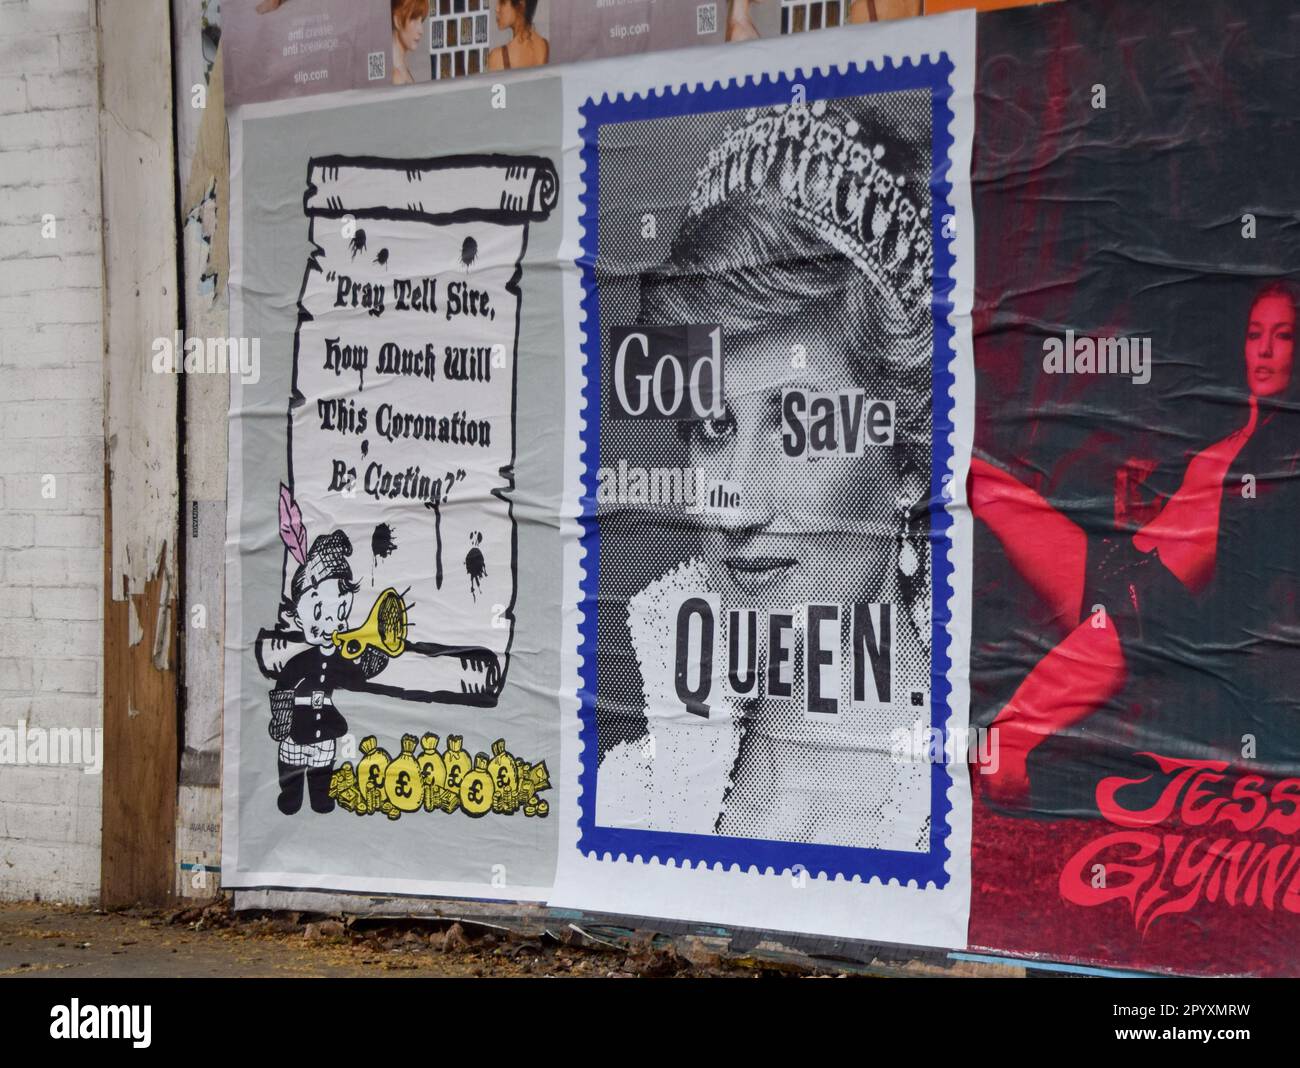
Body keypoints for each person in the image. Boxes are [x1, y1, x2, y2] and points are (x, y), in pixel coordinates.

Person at [595, 100, 937, 846]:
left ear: (908, 460)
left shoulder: (969, 810)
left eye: (796, 428)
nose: (736, 505)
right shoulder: (632, 794)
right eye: (713, 428)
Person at [973, 281, 1299, 807]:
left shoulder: (1281, 460)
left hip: (1141, 619)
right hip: (1113, 568)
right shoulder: (1231, 438)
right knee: (977, 479)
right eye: (1255, 334)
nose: (1262, 349)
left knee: (1002, 756)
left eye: (1282, 336)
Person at [269, 530, 391, 815]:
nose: (330, 624)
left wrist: (375, 656)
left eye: (340, 613)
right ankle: (290, 798)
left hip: (323, 730)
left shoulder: (339, 657)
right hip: (296, 729)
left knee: (322, 768)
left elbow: (356, 677)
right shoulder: (297, 662)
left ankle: (320, 798)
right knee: (291, 765)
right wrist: (282, 719)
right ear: (298, 616)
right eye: (319, 613)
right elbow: (284, 686)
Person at [486, 0, 548, 71]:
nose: (496, 9)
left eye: (502, 2)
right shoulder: (545, 46)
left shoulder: (497, 57)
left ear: (521, 4)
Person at [391, 0, 429, 86]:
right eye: (414, 19)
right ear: (398, 21)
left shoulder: (401, 68)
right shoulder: (396, 77)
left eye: (421, 20)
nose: (421, 30)